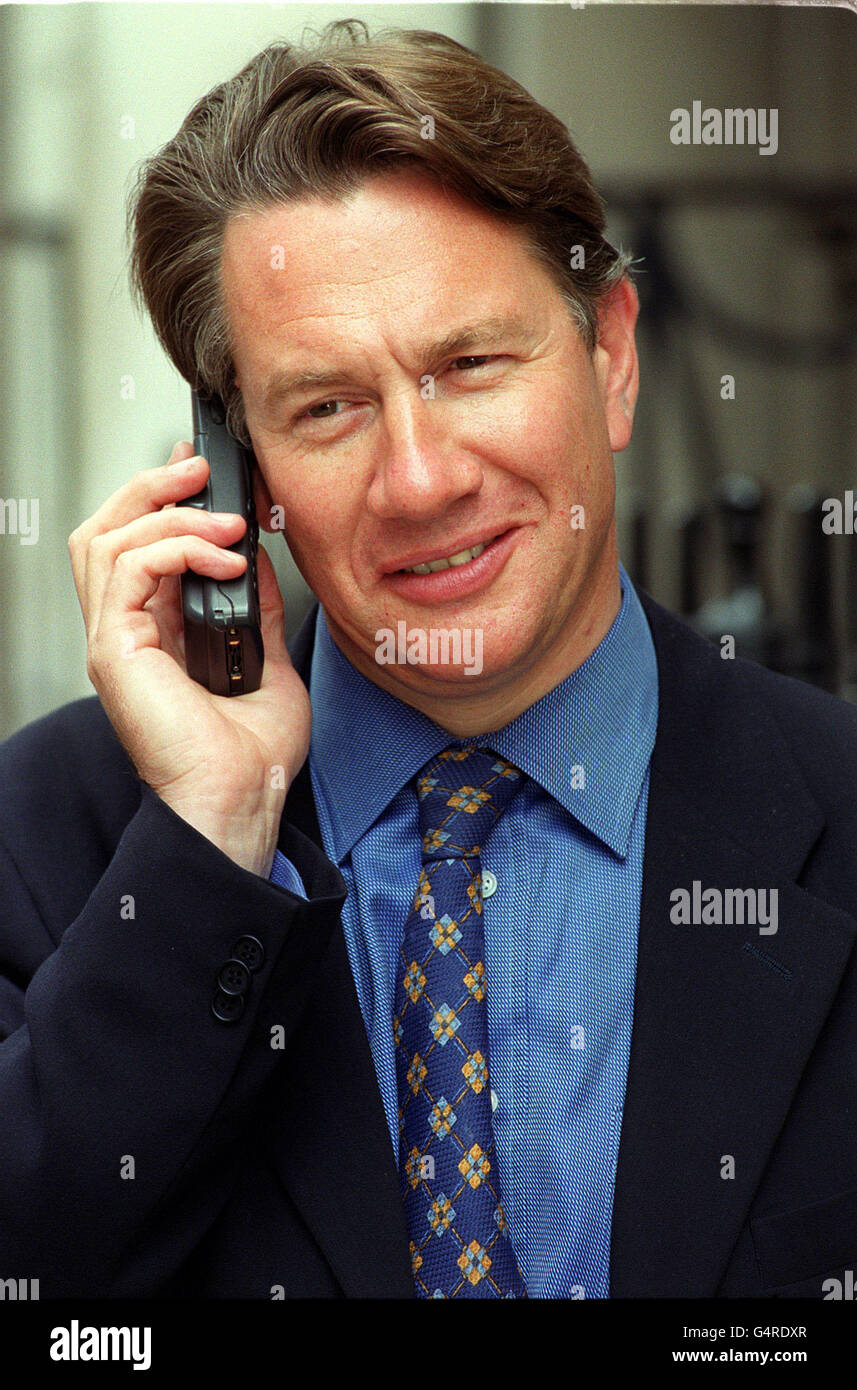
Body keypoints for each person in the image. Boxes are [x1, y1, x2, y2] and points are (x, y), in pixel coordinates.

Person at [2, 19, 857, 1301]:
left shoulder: (837, 806)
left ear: (611, 357)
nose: (418, 481)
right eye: (326, 407)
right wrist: (214, 829)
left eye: (470, 364)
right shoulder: (53, 835)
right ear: (242, 473)